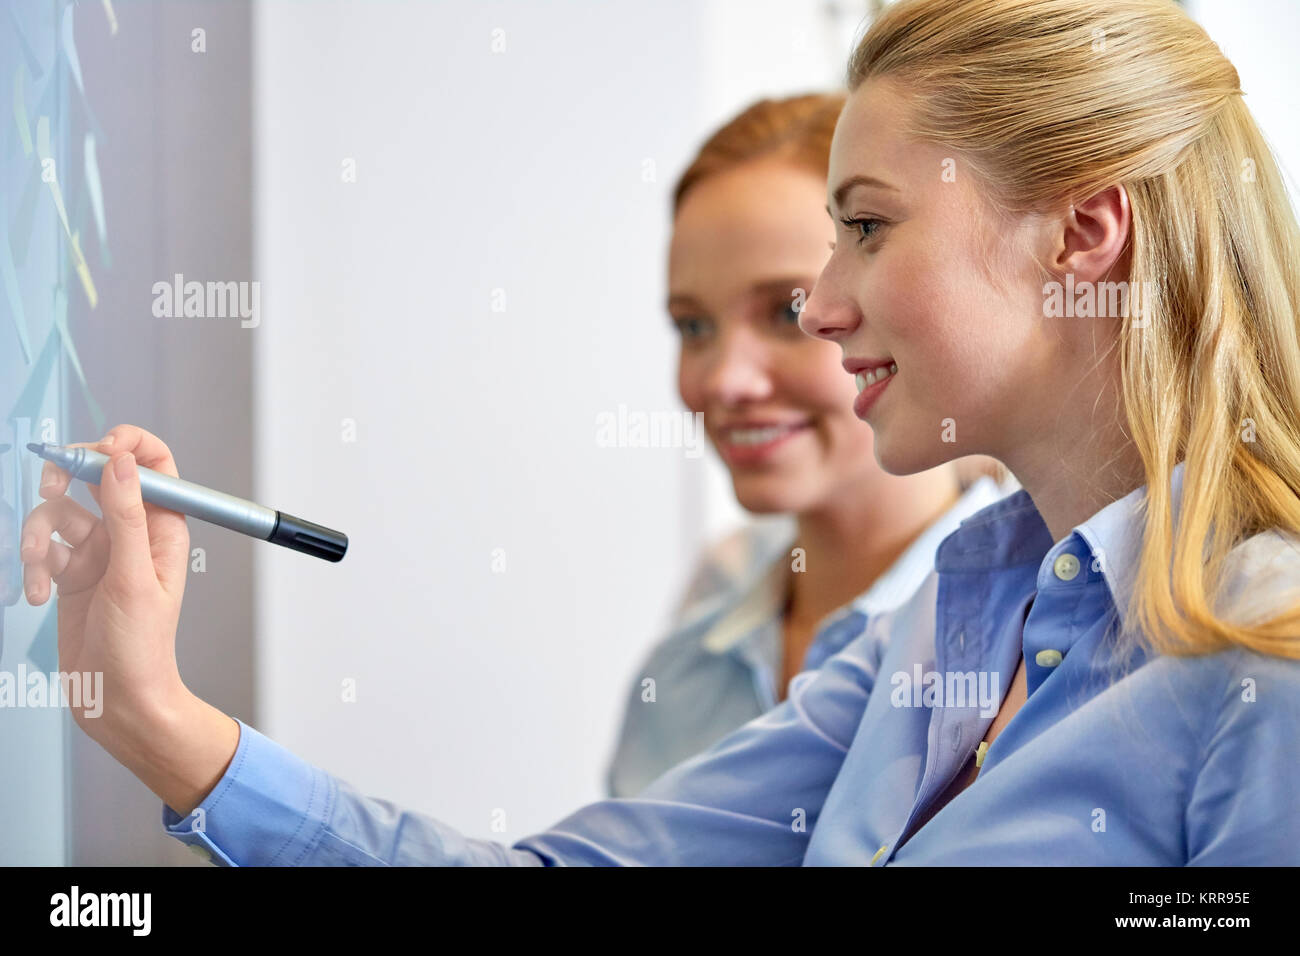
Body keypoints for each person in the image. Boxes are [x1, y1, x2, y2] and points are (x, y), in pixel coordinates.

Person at [20, 0, 1300, 864]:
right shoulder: (935, 630)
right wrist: (150, 711)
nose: (828, 301)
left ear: (1084, 233)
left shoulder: (1268, 656)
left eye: (866, 225)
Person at [607, 92, 1010, 797]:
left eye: (786, 310)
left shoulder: (1034, 631)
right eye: (692, 326)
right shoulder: (705, 627)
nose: (724, 380)